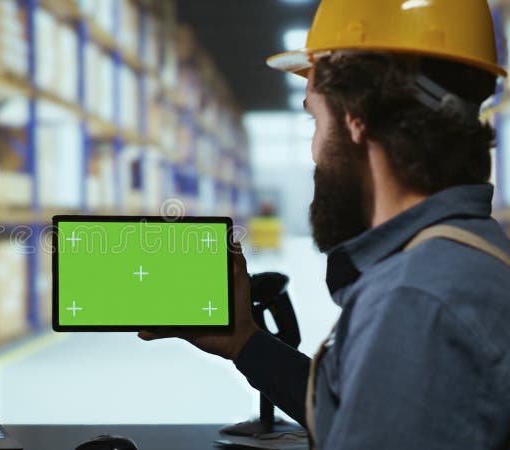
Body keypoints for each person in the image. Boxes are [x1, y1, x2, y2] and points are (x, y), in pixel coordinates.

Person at [140, 0, 510, 448]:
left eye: (316, 118)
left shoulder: (415, 302)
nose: (315, 150)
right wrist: (243, 341)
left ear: (356, 117)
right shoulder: (466, 255)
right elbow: (362, 411)